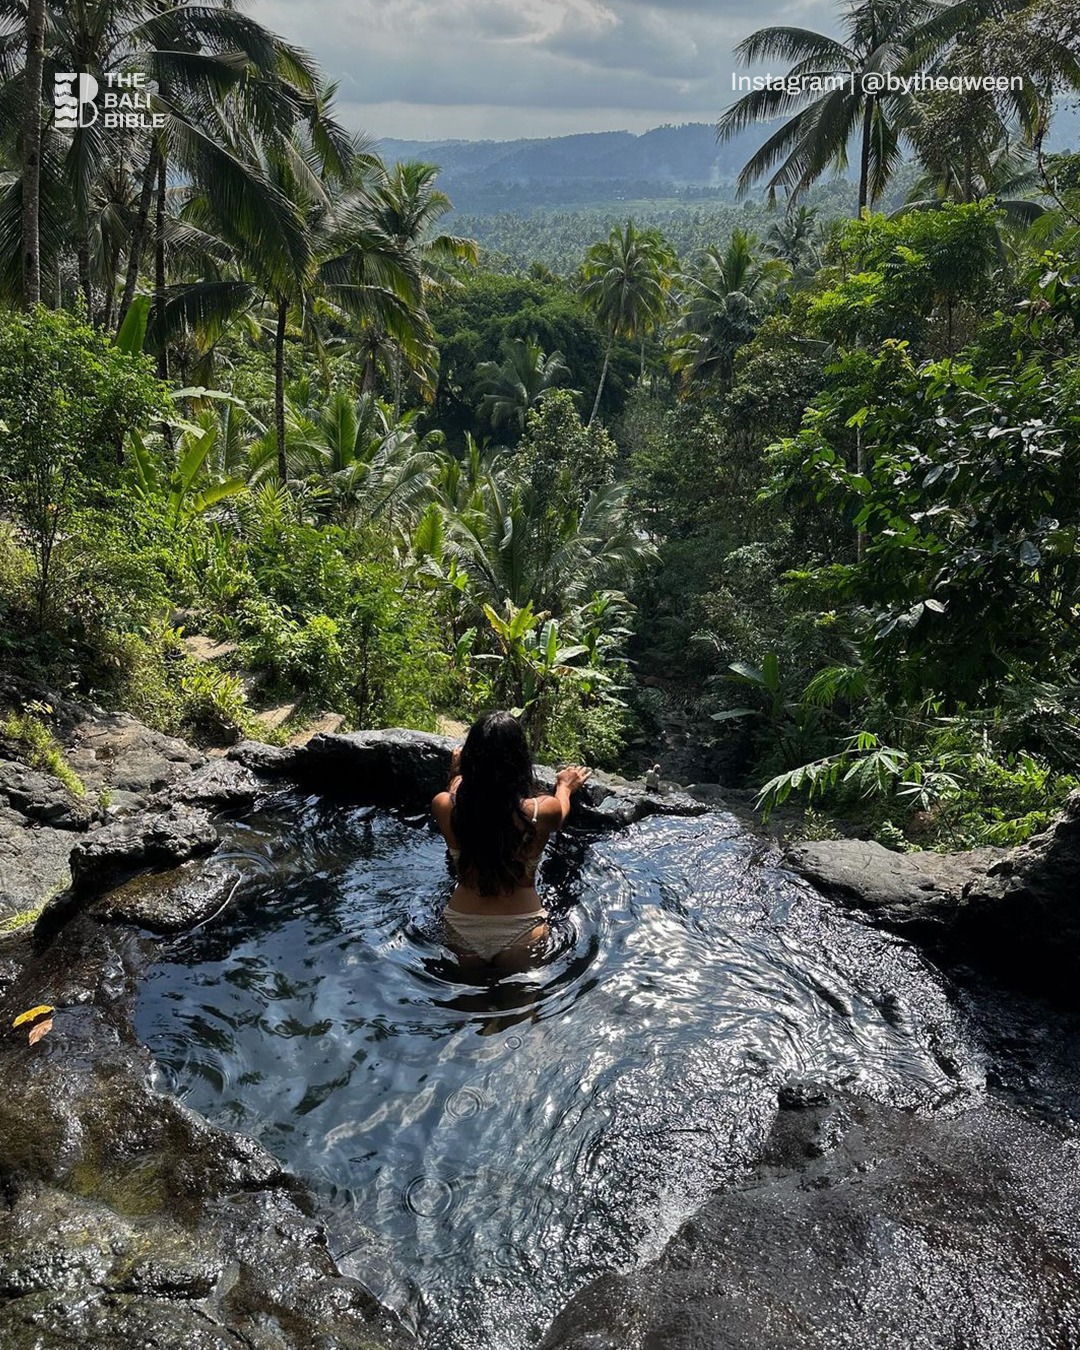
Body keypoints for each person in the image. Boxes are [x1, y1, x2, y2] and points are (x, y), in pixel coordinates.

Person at [431, 710, 590, 969]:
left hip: (461, 924)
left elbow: (456, 793)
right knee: (522, 1009)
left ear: (470, 758)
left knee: (466, 1006)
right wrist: (564, 786)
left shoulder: (444, 806)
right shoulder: (541, 811)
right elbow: (561, 813)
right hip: (522, 927)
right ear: (520, 760)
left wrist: (456, 774)